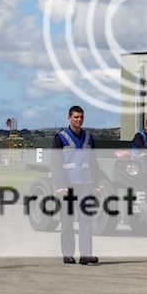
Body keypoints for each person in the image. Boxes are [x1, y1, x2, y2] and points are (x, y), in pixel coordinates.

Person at [51, 105, 102, 265]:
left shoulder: (88, 137)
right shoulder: (61, 137)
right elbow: (56, 163)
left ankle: (86, 255)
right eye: (75, 117)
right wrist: (59, 185)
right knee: (67, 220)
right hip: (68, 186)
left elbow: (93, 162)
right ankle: (68, 253)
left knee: (86, 220)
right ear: (69, 118)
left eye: (81, 117)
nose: (79, 120)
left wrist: (96, 182)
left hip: (86, 184)